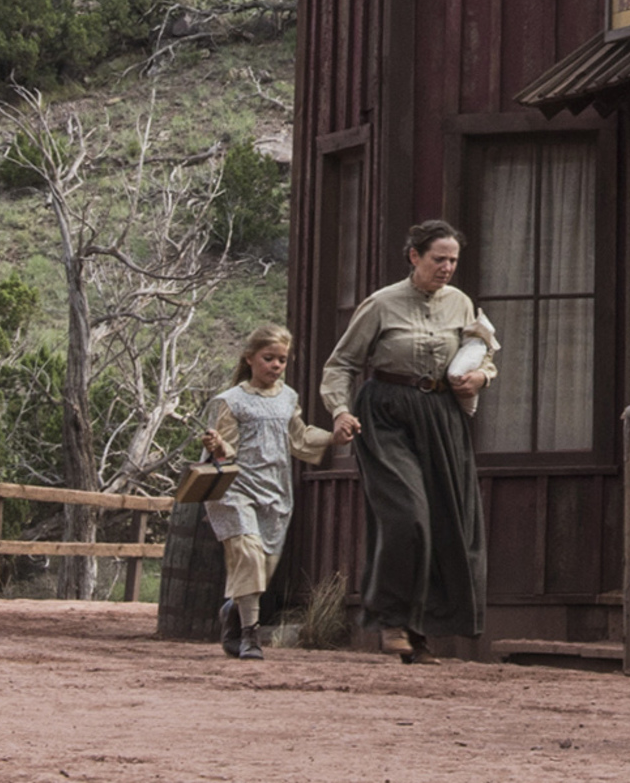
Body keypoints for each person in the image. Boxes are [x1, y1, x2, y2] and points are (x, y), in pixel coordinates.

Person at [322, 219, 492, 662]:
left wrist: (481, 377)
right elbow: (340, 364)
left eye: (453, 259)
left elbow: (482, 352)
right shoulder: (381, 304)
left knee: (445, 522)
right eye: (439, 258)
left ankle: (422, 628)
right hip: (387, 414)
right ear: (414, 256)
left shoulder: (460, 304)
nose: (448, 267)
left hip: (441, 416)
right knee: (407, 516)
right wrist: (341, 411)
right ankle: (392, 619)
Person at [197, 324, 304, 659]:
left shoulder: (289, 398)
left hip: (275, 489)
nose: (275, 365)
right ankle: (250, 636)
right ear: (250, 358)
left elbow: (300, 439)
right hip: (236, 489)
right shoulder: (231, 401)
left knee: (266, 566)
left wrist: (336, 437)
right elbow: (226, 449)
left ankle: (233, 608)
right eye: (268, 358)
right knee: (249, 555)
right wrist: (217, 444)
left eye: (282, 360)